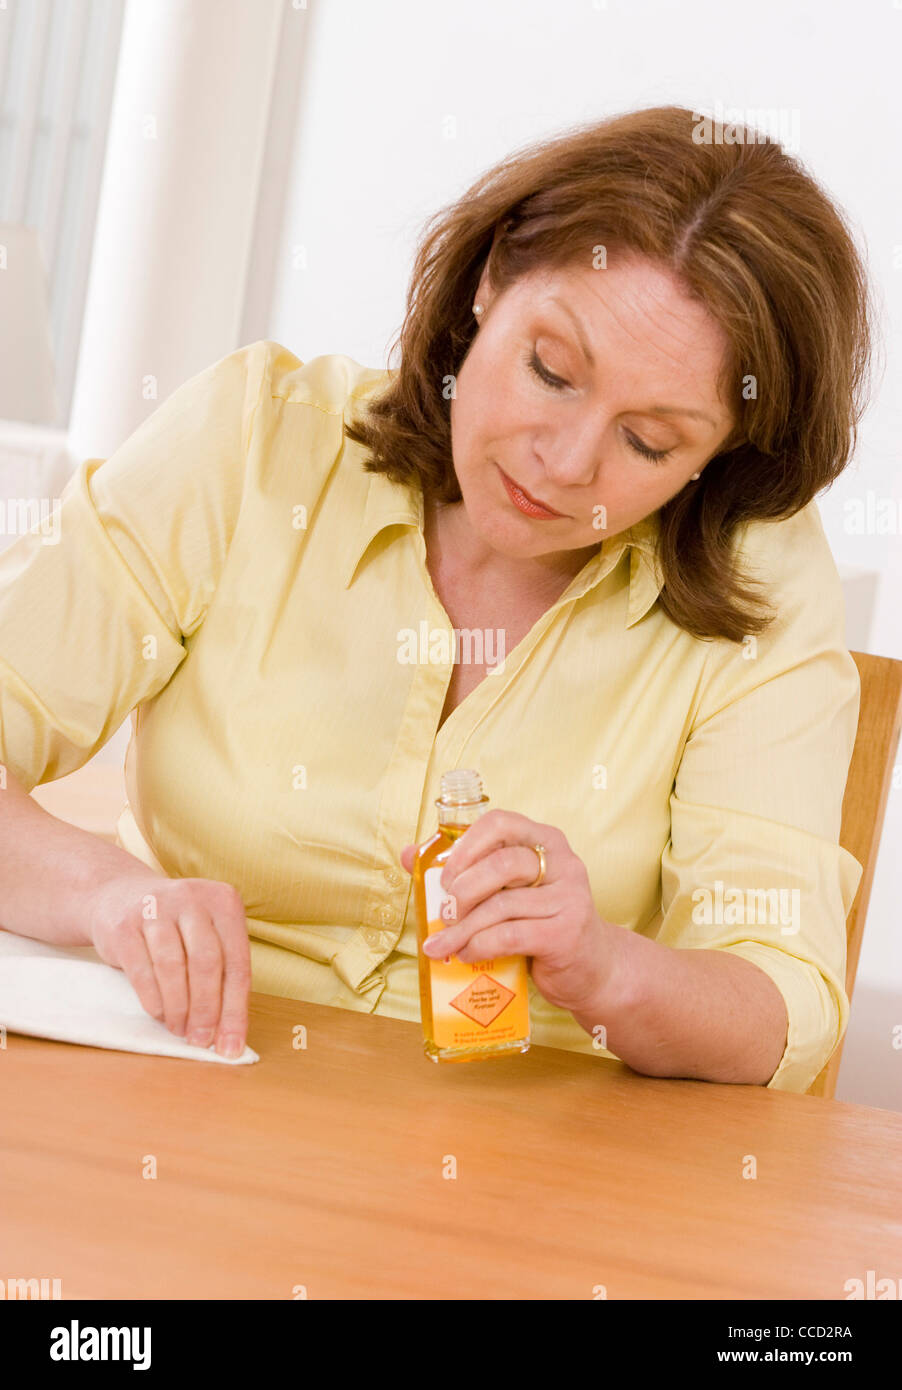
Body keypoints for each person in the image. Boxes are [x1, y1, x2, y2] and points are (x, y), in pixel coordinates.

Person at [0, 105, 873, 1092]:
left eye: (648, 442)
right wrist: (107, 894)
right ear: (489, 280)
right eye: (549, 370)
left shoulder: (755, 578)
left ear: (719, 455)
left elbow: (781, 1007)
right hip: (192, 1100)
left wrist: (605, 966)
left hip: (526, 1181)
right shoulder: (255, 444)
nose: (563, 460)